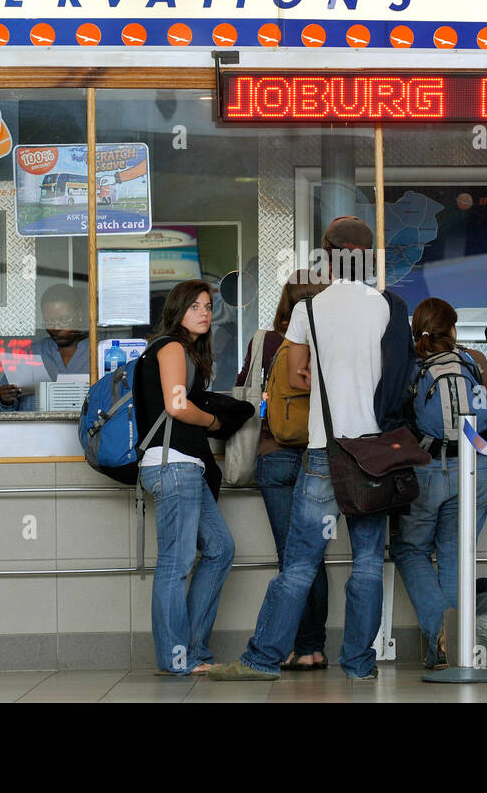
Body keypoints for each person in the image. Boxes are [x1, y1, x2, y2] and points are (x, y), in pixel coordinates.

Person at [210, 216, 401, 682]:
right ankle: (359, 664)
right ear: (369, 254)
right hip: (372, 450)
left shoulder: (308, 310)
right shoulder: (387, 306)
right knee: (370, 564)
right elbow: (395, 373)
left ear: (325, 251)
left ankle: (261, 659)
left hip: (323, 450)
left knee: (299, 563)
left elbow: (298, 374)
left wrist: (329, 379)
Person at [135, 279, 235, 675]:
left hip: (178, 465)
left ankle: (193, 649)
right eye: (195, 306)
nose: (205, 312)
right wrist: (212, 421)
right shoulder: (172, 346)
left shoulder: (172, 349)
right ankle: (178, 658)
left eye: (208, 306)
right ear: (178, 311)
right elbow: (177, 406)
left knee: (220, 549)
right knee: (175, 564)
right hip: (173, 464)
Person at [391, 297, 487, 669]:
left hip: (426, 469)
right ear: (452, 329)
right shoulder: (475, 362)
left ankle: (442, 634)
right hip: (475, 467)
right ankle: (453, 645)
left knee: (409, 550)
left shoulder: (407, 368)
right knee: (454, 553)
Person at [236, 270, 330, 671]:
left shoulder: (266, 340)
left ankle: (289, 646)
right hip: (319, 455)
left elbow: (242, 387)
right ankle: (313, 646)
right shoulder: (329, 343)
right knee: (313, 556)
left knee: (290, 558)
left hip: (274, 453)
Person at [0, 283, 89, 412]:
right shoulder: (30, 354)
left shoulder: (97, 353)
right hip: (33, 431)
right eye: (49, 322)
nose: (56, 328)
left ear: (80, 315)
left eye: (64, 320)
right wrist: (5, 400)